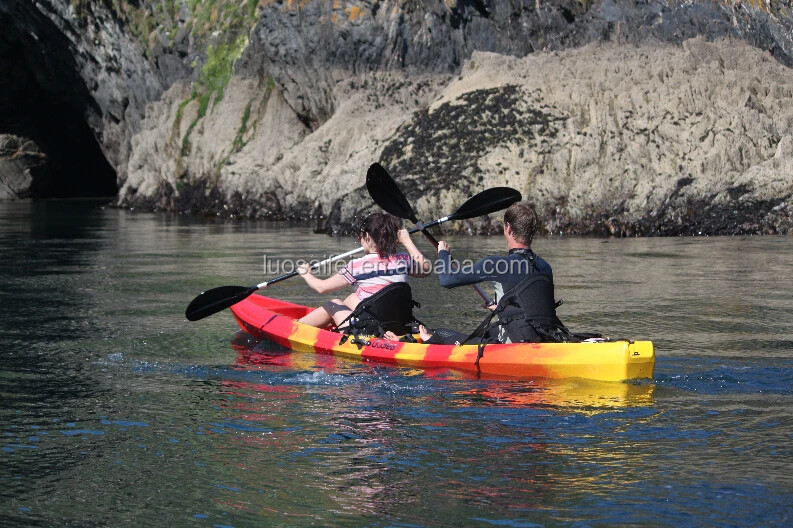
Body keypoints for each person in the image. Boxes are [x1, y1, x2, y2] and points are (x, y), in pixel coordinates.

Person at [394, 202, 563, 345]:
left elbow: (447, 279)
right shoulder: (545, 267)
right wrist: (500, 308)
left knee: (441, 333)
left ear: (508, 228)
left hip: (514, 343)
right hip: (546, 338)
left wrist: (443, 254)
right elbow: (534, 308)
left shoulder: (497, 264)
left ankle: (429, 339)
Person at [296, 212, 430, 330]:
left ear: (366, 236)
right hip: (398, 324)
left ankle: (296, 327)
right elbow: (425, 270)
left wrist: (306, 274)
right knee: (353, 298)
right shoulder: (402, 260)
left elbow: (322, 288)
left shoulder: (357, 266)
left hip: (368, 330)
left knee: (334, 303)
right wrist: (407, 241)